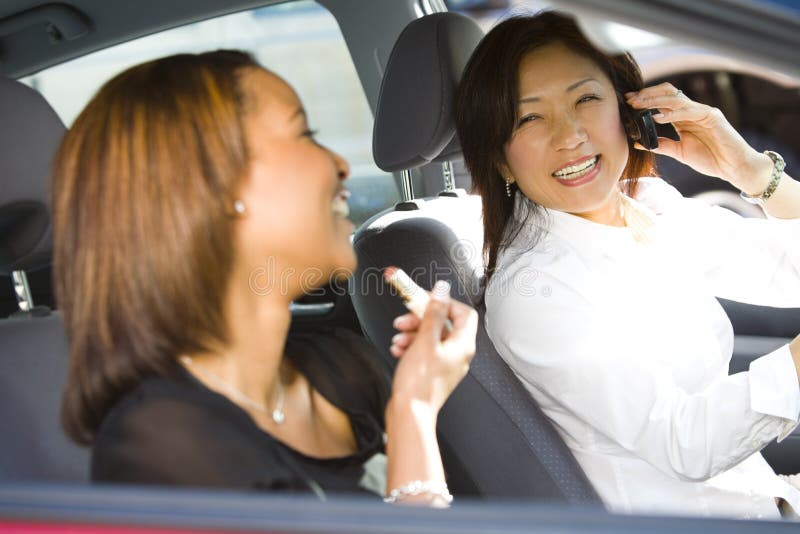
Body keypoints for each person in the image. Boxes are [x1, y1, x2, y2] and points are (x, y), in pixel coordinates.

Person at [53, 50, 477, 506]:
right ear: (215, 188)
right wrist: (414, 411)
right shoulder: (161, 447)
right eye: (305, 134)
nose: (340, 163)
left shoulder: (345, 369)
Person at [454, 11, 800, 519]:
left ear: (630, 110)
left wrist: (749, 171)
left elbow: (787, 270)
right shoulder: (534, 292)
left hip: (761, 498)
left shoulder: (645, 204)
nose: (569, 135)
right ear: (501, 158)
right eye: (530, 118)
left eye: (585, 99)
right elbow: (686, 443)